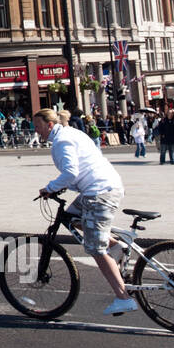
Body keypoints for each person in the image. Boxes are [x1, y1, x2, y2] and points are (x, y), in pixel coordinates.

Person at [32, 107, 137, 316]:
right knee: (72, 218)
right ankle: (117, 247)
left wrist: (51, 187)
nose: (37, 131)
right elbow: (81, 166)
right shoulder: (72, 132)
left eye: (38, 126)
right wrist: (64, 185)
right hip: (101, 186)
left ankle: (123, 297)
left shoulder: (61, 142)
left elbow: (71, 171)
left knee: (95, 248)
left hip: (99, 193)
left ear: (50, 125)